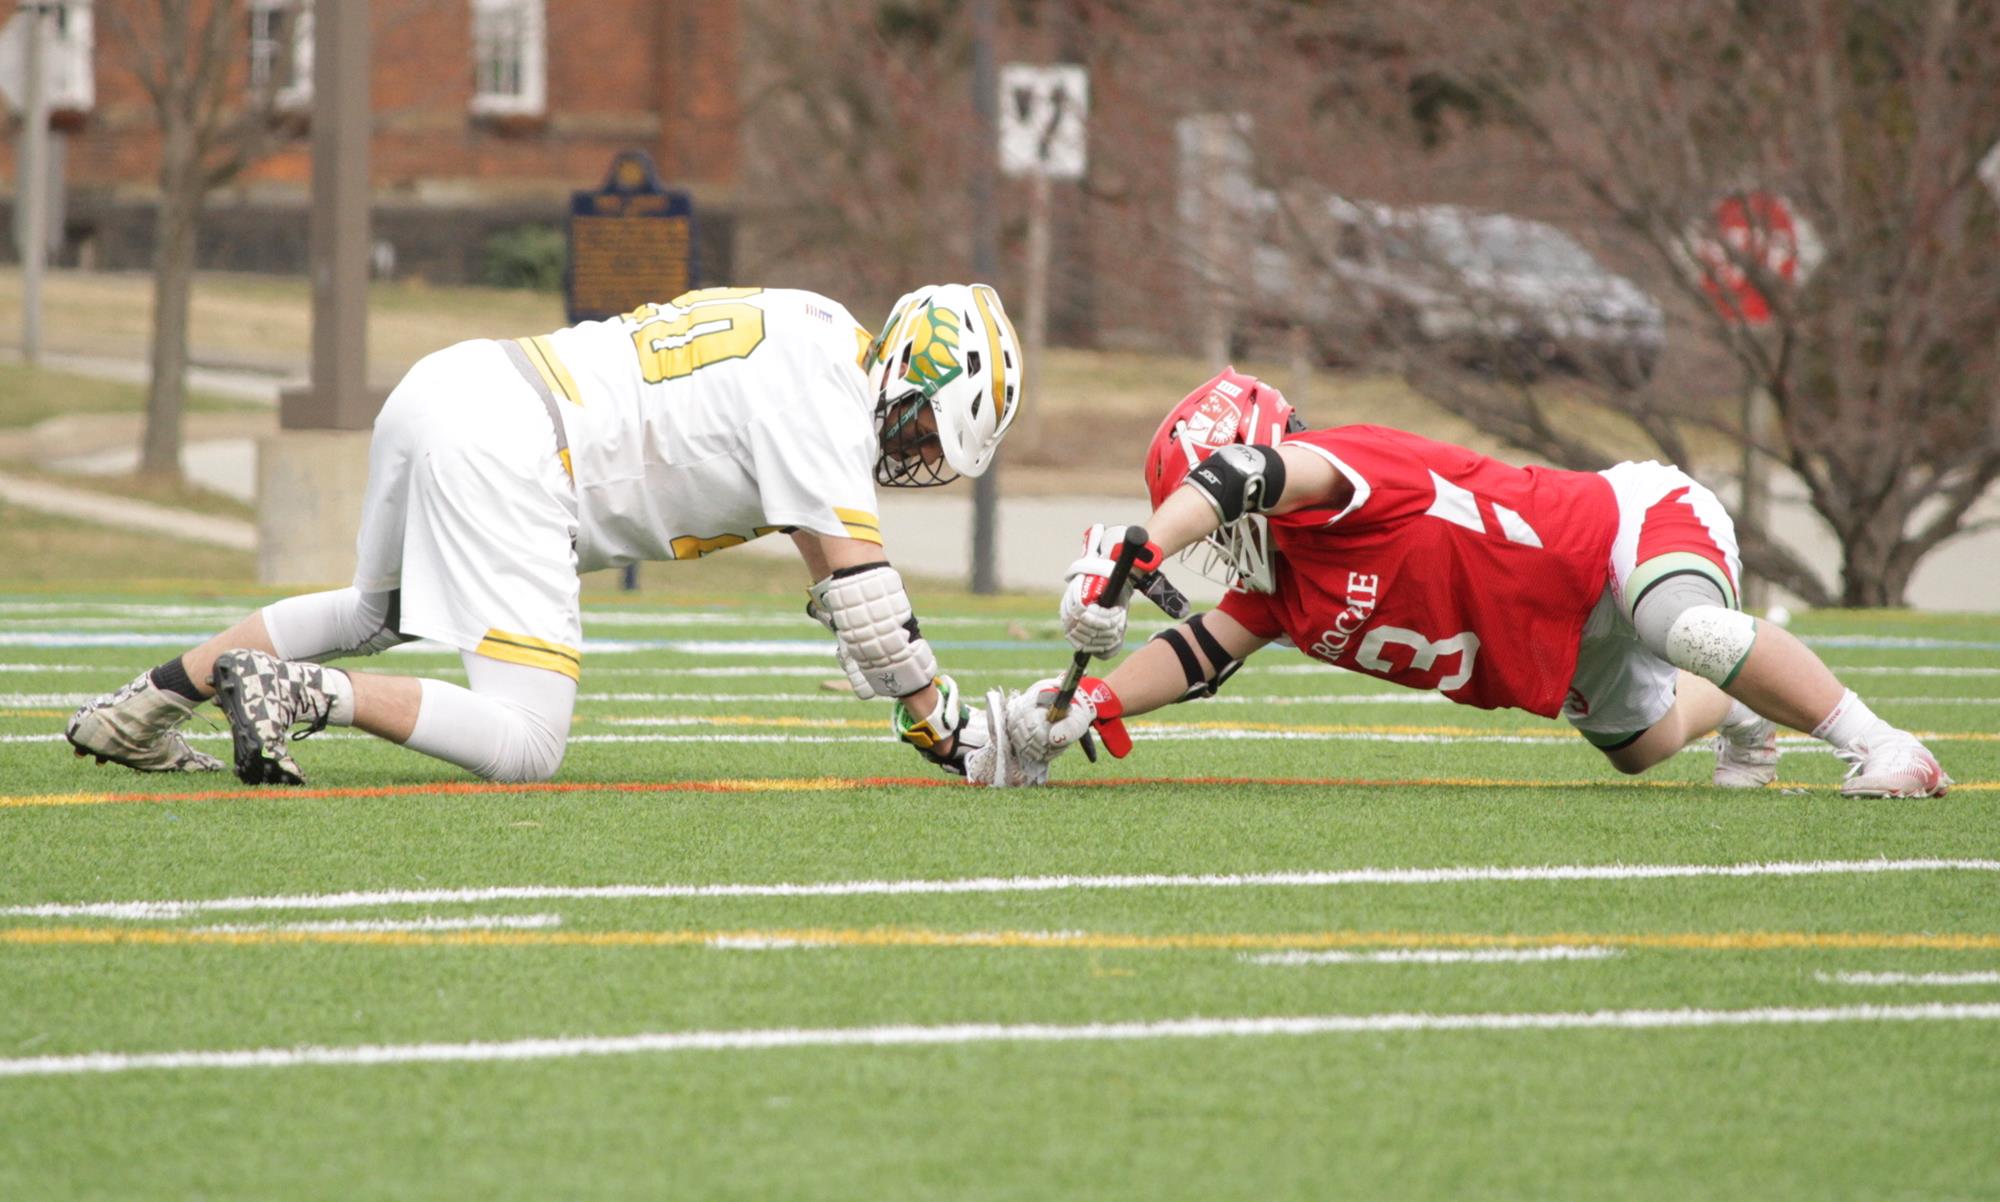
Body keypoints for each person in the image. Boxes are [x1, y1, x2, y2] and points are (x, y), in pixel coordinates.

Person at [66, 285, 1021, 785]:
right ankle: (307, 693)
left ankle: (138, 710)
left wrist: (916, 696)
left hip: (459, 383)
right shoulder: (831, 400)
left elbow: (841, 583)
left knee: (375, 609)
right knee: (527, 742)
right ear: (919, 367)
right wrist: (953, 730)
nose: (922, 449)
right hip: (521, 451)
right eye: (931, 425)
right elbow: (864, 606)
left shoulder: (813, 329)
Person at [976, 367, 1950, 798]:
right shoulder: (1279, 582)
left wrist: (1132, 549)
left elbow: (1245, 477)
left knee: (1680, 624)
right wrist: (1080, 704)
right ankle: (1742, 706)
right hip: (1562, 631)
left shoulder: (1335, 469)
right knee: (1641, 745)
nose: (1218, 536)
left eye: (1209, 509)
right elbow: (1194, 653)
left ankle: (1884, 745)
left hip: (1620, 527)